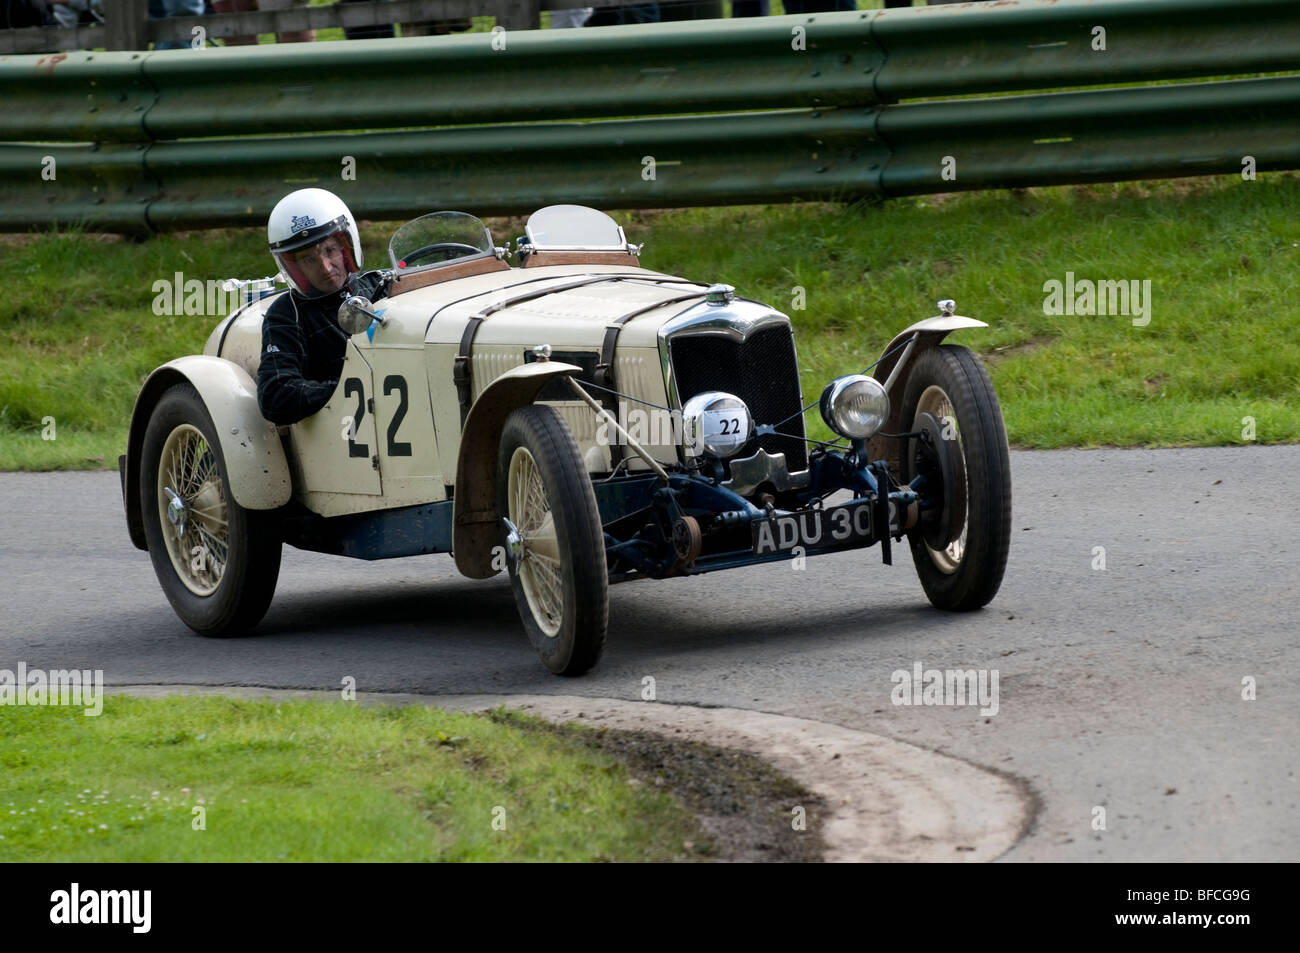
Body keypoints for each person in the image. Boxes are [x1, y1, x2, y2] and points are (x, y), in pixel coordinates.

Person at [257, 188, 386, 426]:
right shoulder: (287, 314)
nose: (326, 268)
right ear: (294, 267)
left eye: (330, 250)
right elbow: (275, 395)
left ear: (345, 247)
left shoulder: (382, 285)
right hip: (342, 434)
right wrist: (352, 387)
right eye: (309, 259)